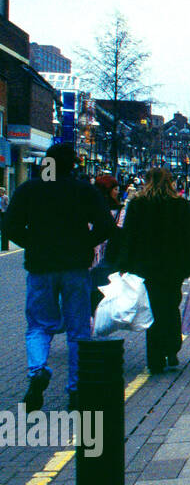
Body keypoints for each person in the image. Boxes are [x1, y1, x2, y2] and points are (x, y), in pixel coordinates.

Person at [7, 143, 113, 411]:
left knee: (39, 324)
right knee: (78, 329)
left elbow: (9, 226)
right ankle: (76, 390)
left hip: (40, 266)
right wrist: (85, 243)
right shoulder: (83, 190)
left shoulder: (29, 189)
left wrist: (31, 242)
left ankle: (38, 369)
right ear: (73, 165)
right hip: (75, 267)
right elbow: (106, 225)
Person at [121, 168, 190, 374]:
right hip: (173, 266)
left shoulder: (137, 204)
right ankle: (172, 348)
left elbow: (128, 237)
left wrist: (124, 265)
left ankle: (155, 358)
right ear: (169, 182)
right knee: (170, 306)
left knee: (153, 309)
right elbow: (189, 235)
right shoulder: (179, 204)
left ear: (147, 181)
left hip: (146, 267)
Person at [89, 174, 126, 312]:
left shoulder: (120, 209)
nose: (117, 192)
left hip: (107, 252)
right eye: (115, 189)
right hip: (96, 251)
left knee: (101, 286)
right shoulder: (114, 210)